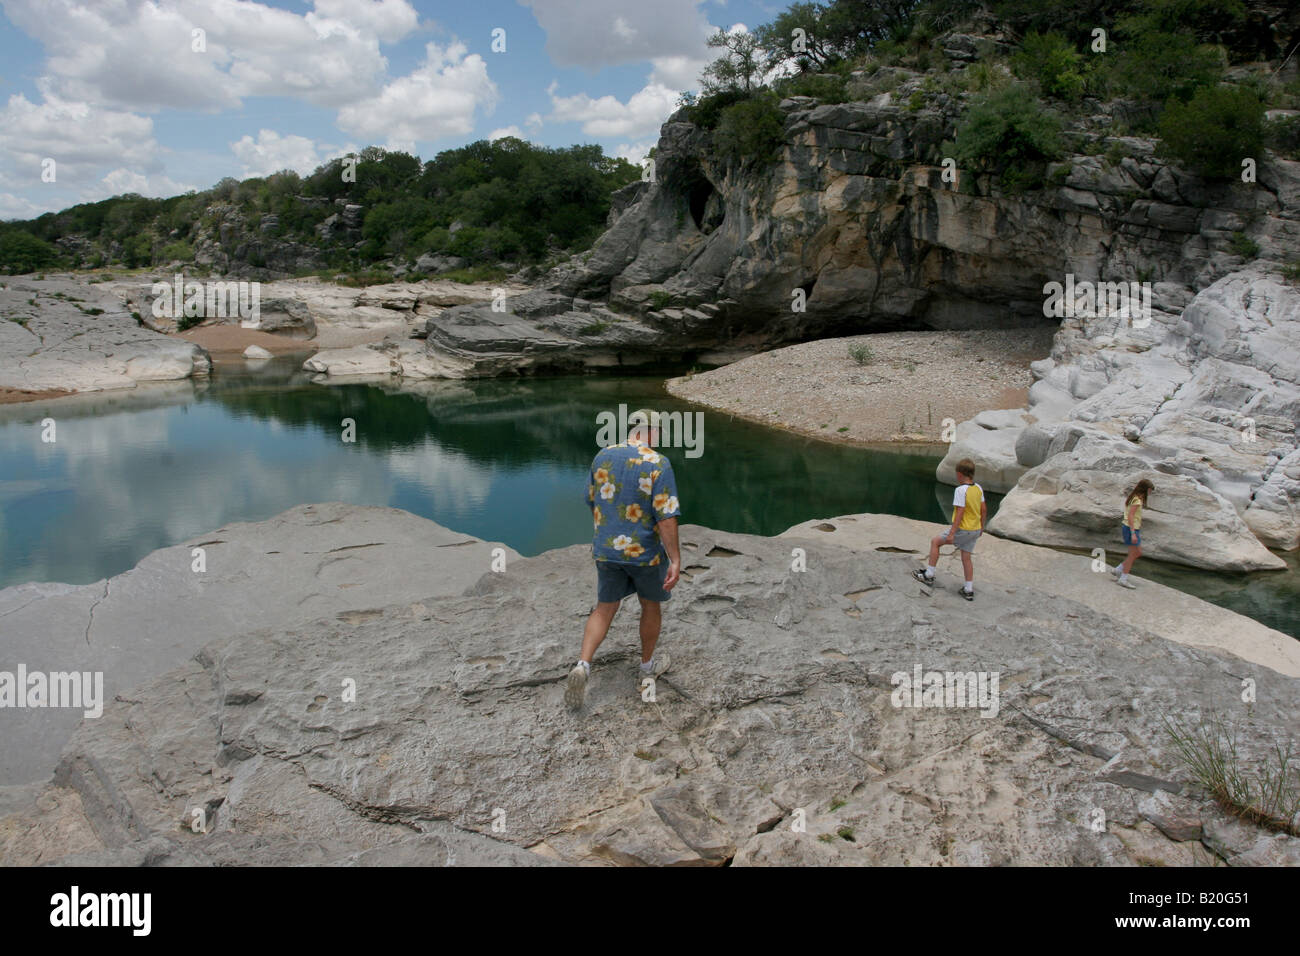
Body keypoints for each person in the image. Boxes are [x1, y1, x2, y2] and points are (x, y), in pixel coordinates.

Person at [565, 408, 682, 710]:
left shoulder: (602, 455)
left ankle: (583, 666)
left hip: (606, 549)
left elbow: (592, 499)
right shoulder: (658, 463)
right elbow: (666, 516)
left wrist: (605, 533)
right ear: (652, 430)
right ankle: (646, 669)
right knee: (650, 604)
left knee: (604, 608)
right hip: (643, 554)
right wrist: (675, 558)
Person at [912, 458, 986, 600]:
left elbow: (960, 512)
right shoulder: (978, 488)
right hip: (975, 529)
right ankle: (968, 590)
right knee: (966, 557)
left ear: (960, 474)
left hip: (963, 529)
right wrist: (981, 527)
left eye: (957, 474)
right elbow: (983, 509)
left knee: (935, 542)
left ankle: (929, 575)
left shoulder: (960, 490)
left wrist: (952, 533)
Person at [1113, 479, 1154, 590]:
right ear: (1145, 489)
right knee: (1133, 554)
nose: (1150, 493)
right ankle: (1123, 579)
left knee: (1138, 552)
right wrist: (1133, 533)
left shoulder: (1134, 497)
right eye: (1150, 490)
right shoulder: (1137, 500)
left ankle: (1118, 569)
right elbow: (1131, 516)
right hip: (1131, 529)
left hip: (1131, 528)